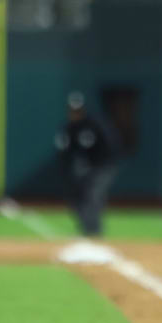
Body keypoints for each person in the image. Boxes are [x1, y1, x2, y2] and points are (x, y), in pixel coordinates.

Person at [55, 92, 119, 238]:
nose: (75, 113)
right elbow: (64, 153)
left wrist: (100, 165)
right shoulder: (69, 128)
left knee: (93, 195)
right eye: (73, 110)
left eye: (78, 110)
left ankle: (94, 231)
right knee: (77, 197)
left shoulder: (95, 125)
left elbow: (111, 147)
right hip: (82, 169)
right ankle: (86, 228)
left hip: (102, 166)